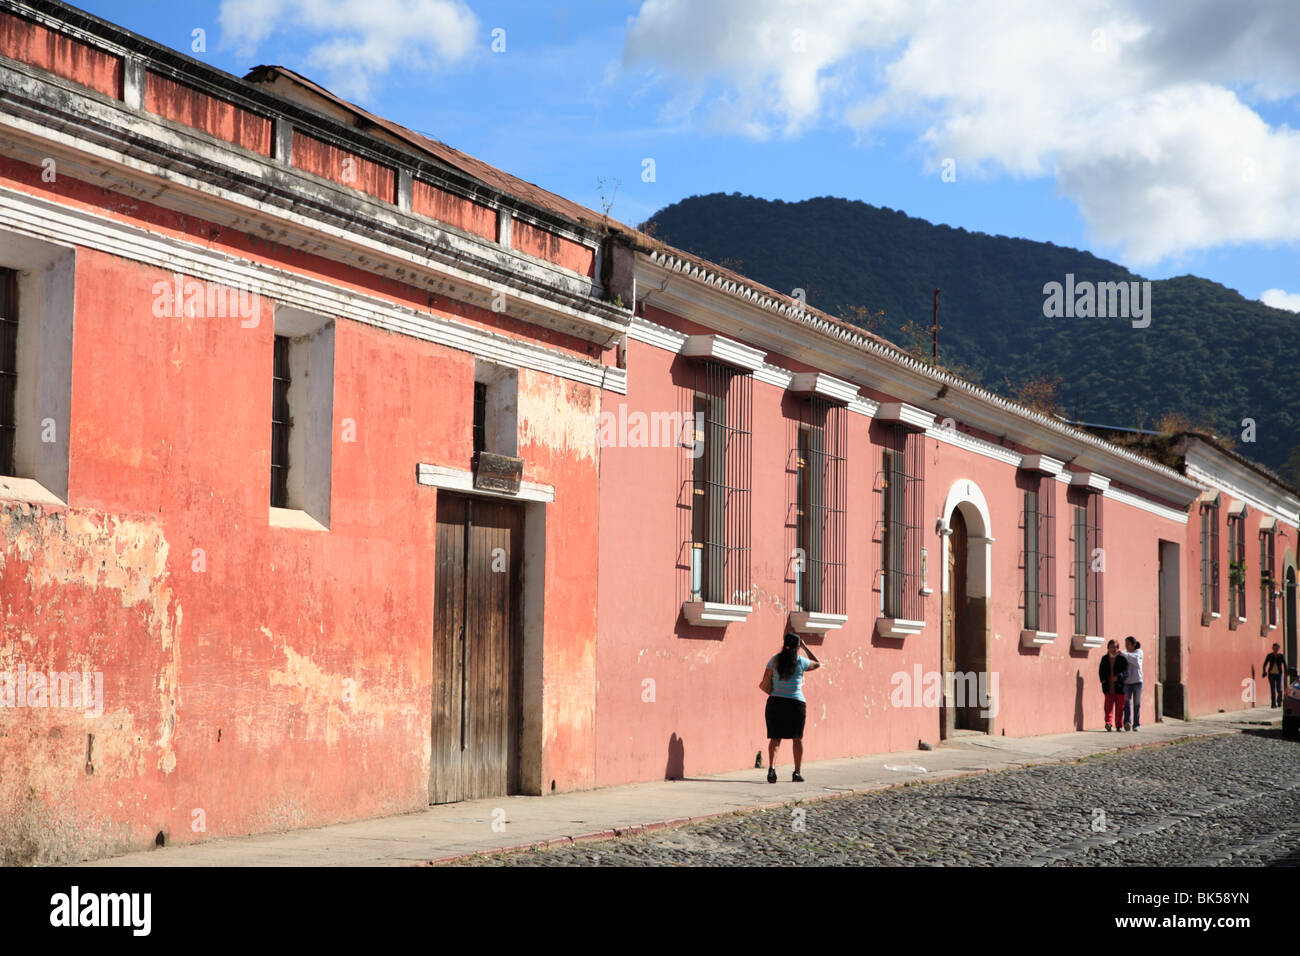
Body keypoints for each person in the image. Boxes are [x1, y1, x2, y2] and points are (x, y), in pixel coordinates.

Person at [761, 632, 820, 782]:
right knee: (797, 738)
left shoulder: (774, 660)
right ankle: (797, 772)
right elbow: (817, 663)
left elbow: (766, 676)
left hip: (775, 702)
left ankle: (772, 769)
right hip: (795, 703)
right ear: (798, 646)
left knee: (775, 738)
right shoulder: (801, 661)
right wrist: (805, 648)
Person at [1098, 639, 1128, 731]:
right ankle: (1108, 723)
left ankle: (1119, 725)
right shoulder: (1104, 659)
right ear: (1108, 648)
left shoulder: (1122, 659)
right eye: (1111, 647)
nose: (1113, 649)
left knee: (1120, 707)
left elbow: (1126, 673)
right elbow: (1101, 671)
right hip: (1108, 687)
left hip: (1119, 687)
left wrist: (1118, 677)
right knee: (1108, 707)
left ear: (1118, 648)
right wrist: (1103, 680)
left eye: (1115, 647)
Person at [1121, 636, 1144, 731]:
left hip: (1137, 682)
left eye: (1128, 644)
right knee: (1126, 703)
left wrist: (1124, 654)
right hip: (1127, 682)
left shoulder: (1139, 652)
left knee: (1137, 704)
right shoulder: (1124, 653)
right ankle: (1127, 722)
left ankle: (1136, 724)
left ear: (1134, 644)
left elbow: (1136, 660)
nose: (1126, 646)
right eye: (1125, 644)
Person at [1262, 643, 1288, 708]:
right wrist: (1264, 671)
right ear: (1272, 648)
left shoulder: (1281, 656)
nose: (1275, 649)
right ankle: (1273, 704)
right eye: (1274, 648)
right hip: (1271, 674)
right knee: (1272, 689)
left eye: (1276, 648)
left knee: (1279, 689)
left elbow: (1285, 665)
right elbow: (1265, 664)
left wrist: (1286, 673)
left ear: (1279, 649)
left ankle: (1279, 702)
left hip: (1279, 674)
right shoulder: (1269, 655)